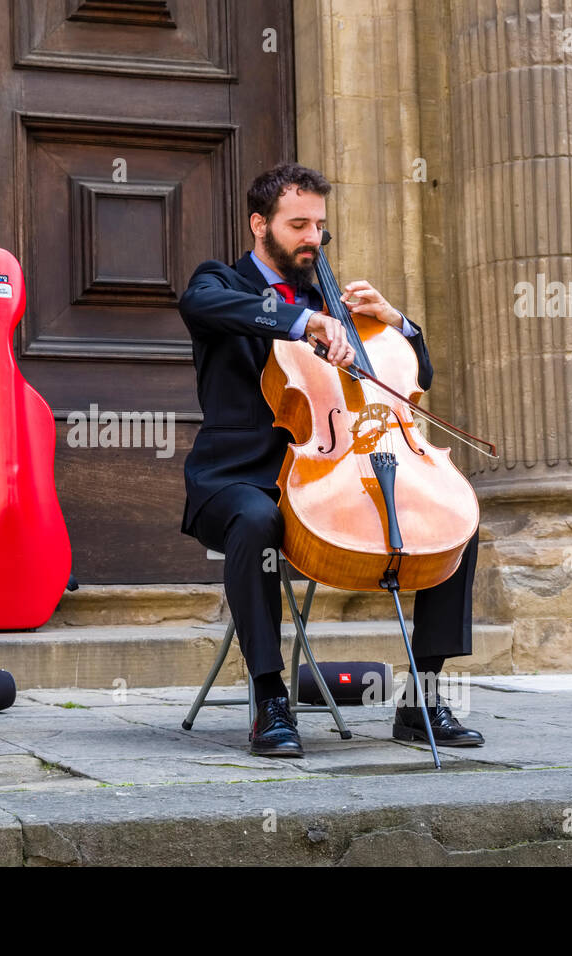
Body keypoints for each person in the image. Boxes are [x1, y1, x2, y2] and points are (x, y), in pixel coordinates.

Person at [178, 162, 483, 757]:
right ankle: (271, 699)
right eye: (298, 224)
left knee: (455, 519)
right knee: (255, 520)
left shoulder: (339, 305)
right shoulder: (222, 282)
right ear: (260, 224)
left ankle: (422, 698)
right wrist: (301, 320)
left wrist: (400, 323)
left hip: (336, 473)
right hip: (241, 479)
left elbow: (415, 378)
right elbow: (204, 306)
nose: (313, 237)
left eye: (319, 224)